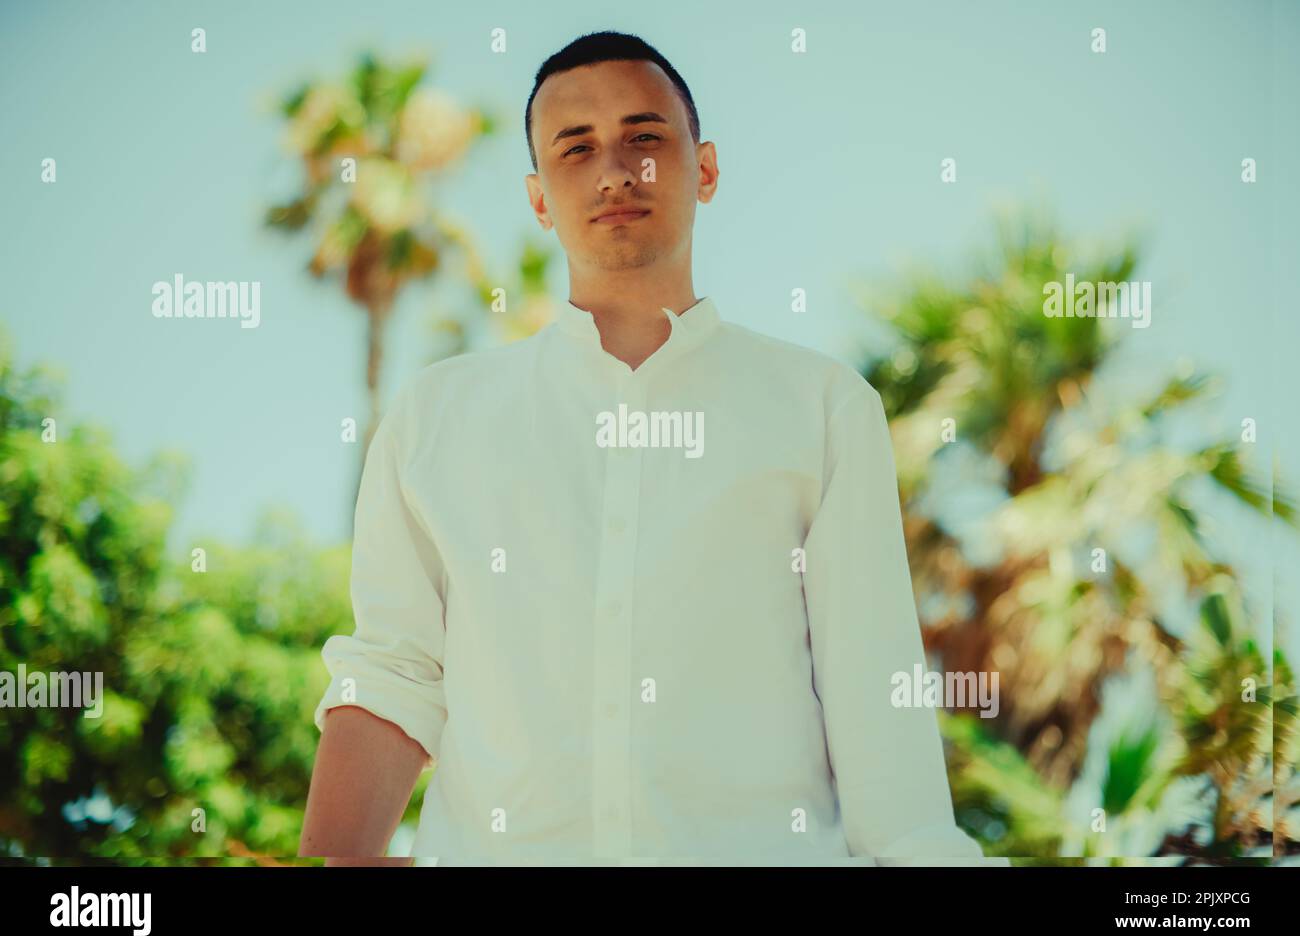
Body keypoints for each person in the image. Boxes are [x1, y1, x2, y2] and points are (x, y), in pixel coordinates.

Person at [299, 29, 1003, 867]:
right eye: (576, 147)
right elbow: (392, 677)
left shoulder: (822, 407)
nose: (614, 170)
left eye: (644, 137)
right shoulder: (433, 421)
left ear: (703, 169)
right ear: (537, 197)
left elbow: (874, 706)